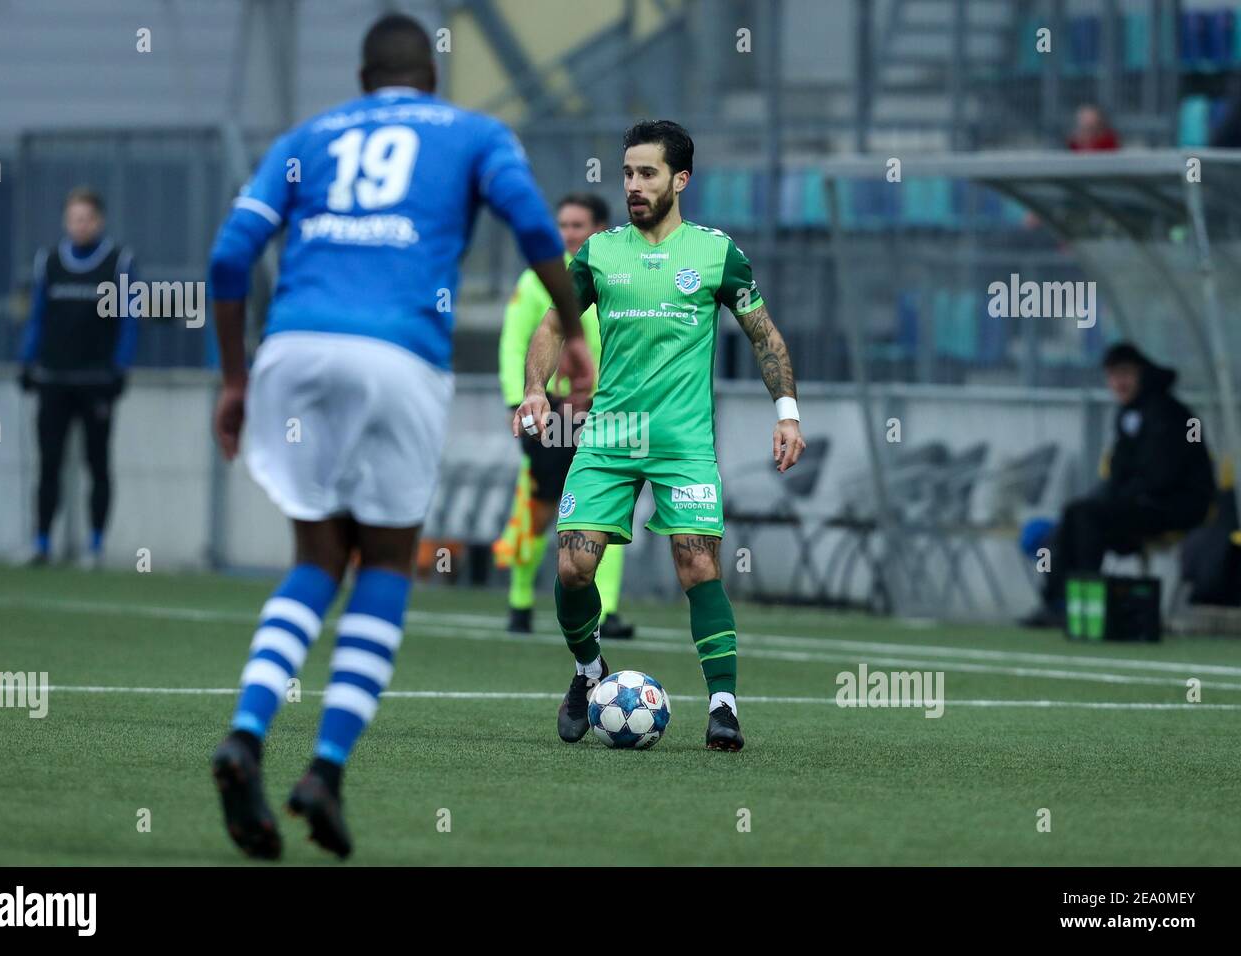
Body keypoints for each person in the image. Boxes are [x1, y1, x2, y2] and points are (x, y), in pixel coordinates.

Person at [205, 13, 593, 860]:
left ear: (361, 77)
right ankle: (326, 772)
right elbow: (534, 230)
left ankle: (244, 733)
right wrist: (570, 325)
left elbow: (230, 258)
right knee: (383, 562)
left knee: (315, 562)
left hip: (294, 348)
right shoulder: (473, 133)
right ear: (431, 78)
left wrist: (235, 377)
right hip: (397, 354)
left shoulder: (309, 135)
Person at [514, 120, 805, 751]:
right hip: (611, 435)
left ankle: (723, 707)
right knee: (571, 567)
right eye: (627, 174)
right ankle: (590, 670)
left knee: (697, 564)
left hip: (682, 442)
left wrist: (787, 412)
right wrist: (536, 387)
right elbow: (552, 327)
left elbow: (764, 336)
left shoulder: (717, 253)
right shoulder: (598, 252)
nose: (634, 185)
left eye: (647, 173)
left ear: (681, 179)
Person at [497, 193, 634, 639]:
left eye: (578, 225)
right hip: (556, 410)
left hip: (608, 407)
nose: (568, 234)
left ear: (600, 228)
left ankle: (606, 610)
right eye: (563, 225)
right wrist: (514, 397)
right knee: (538, 507)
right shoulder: (540, 278)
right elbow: (515, 341)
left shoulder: (622, 271)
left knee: (608, 511)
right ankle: (520, 600)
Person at [1020, 343, 1216, 628]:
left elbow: (1161, 476)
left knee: (1088, 516)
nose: (1118, 383)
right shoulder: (1128, 413)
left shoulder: (1171, 414)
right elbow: (1120, 471)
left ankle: (1083, 602)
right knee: (1076, 512)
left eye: (1125, 374)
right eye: (1112, 376)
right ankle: (1057, 601)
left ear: (1142, 374)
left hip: (1177, 506)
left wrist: (1120, 496)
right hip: (1143, 502)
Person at [17, 186, 137, 568]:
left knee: (97, 464)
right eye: (73, 219)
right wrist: (27, 361)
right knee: (48, 463)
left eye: (86, 219)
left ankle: (96, 546)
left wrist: (120, 367)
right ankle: (41, 543)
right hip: (53, 378)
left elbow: (129, 320)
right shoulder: (48, 262)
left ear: (98, 221)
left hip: (96, 381)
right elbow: (37, 316)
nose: (79, 225)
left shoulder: (118, 262)